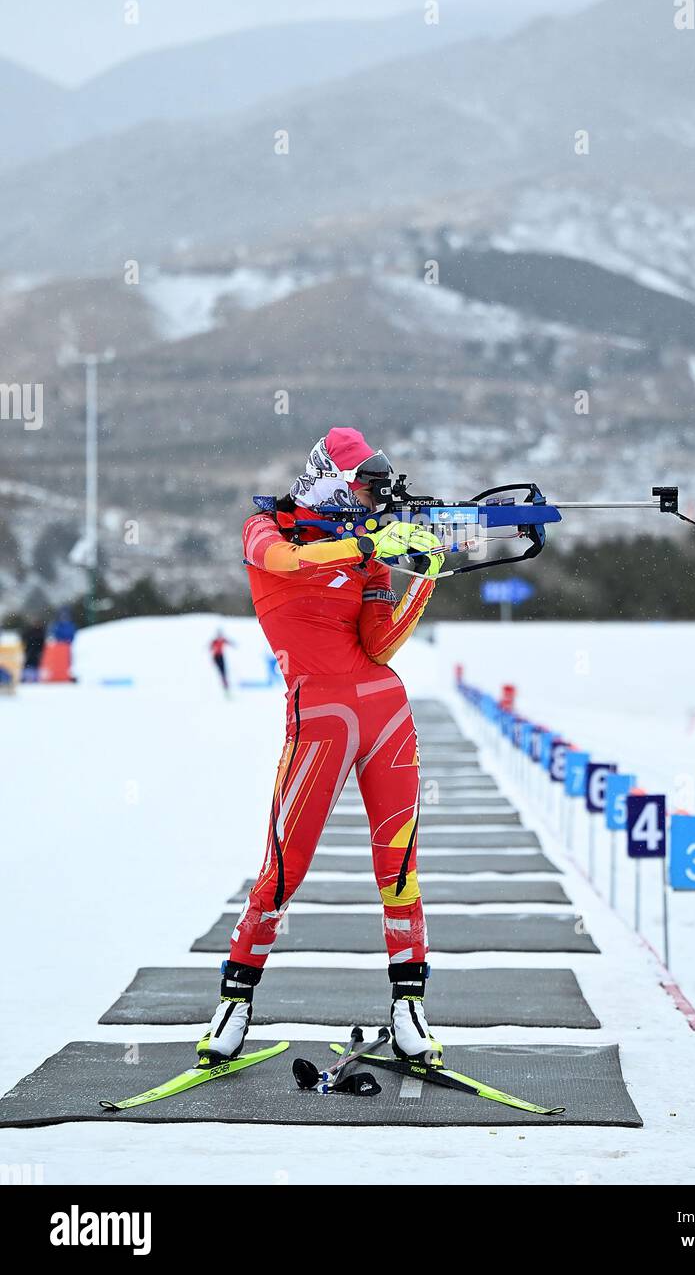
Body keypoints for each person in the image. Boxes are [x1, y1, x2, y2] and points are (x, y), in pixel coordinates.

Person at [198, 428, 444, 1067]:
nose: (369, 501)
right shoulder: (266, 528)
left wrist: (422, 577)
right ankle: (236, 996)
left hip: (386, 712)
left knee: (399, 861)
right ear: (331, 479)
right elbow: (284, 564)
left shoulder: (364, 555)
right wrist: (367, 541)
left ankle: (408, 1005)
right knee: (284, 867)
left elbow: (379, 646)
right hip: (318, 718)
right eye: (362, 487)